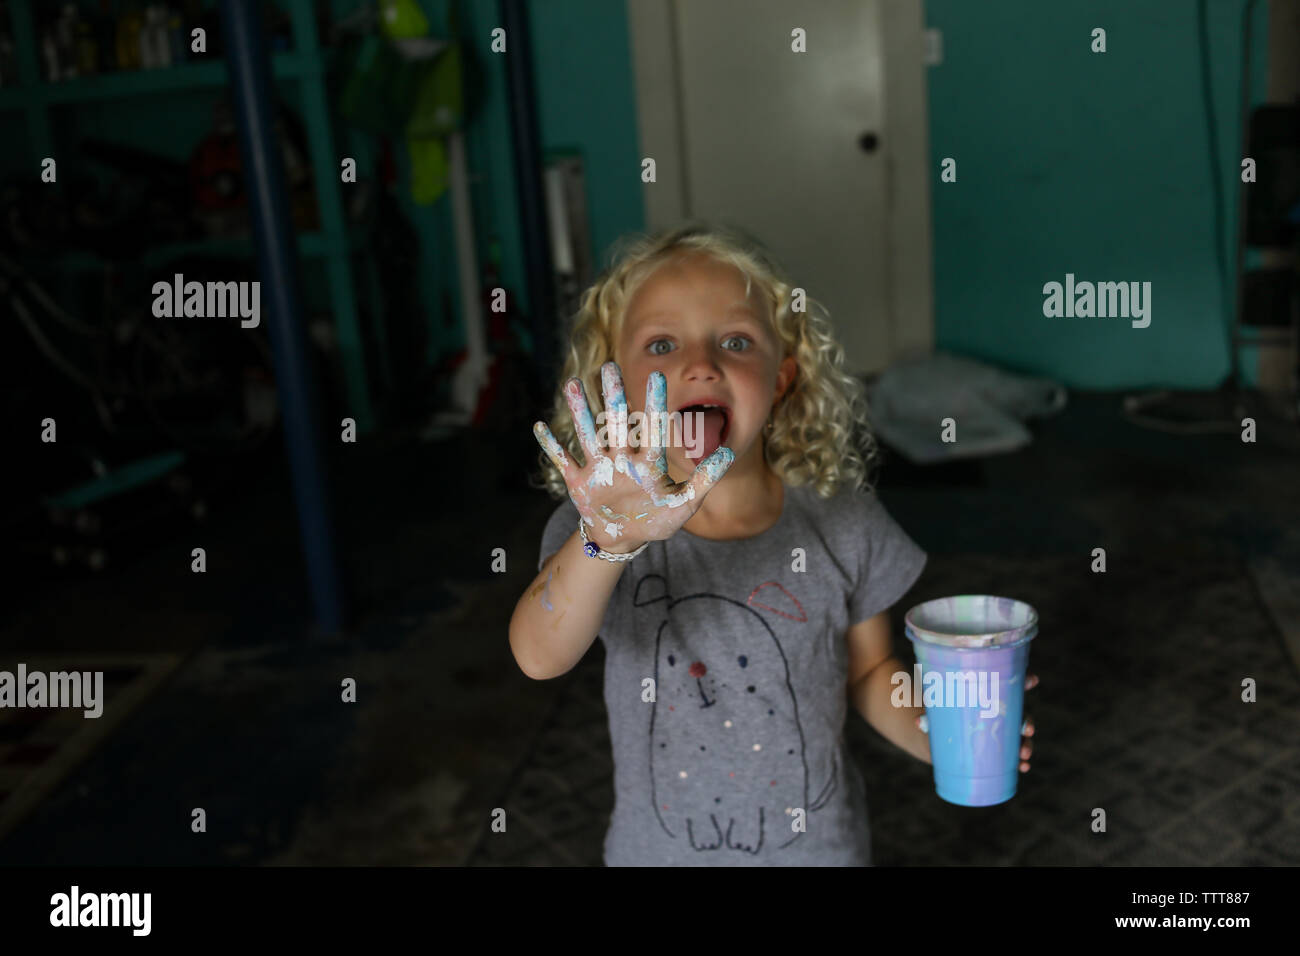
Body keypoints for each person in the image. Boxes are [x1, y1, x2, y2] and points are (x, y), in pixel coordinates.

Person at [509, 222, 1034, 865]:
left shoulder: (844, 522)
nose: (700, 364)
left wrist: (935, 727)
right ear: (612, 384)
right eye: (662, 343)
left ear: (782, 378)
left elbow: (869, 672)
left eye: (734, 340)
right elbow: (539, 655)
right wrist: (605, 542)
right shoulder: (598, 529)